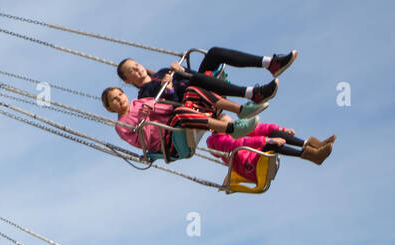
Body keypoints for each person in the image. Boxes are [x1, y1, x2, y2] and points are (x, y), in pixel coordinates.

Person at [118, 48, 297, 114]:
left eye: (136, 64)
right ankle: (251, 93)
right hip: (189, 100)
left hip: (198, 82)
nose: (137, 68)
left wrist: (181, 70)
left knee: (214, 53)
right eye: (131, 70)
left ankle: (270, 63)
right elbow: (169, 108)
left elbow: (191, 74)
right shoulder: (145, 95)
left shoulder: (163, 71)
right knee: (196, 80)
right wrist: (169, 87)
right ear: (128, 80)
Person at [102, 85, 258, 162]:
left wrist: (156, 106)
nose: (120, 98)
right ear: (110, 108)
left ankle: (240, 109)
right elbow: (144, 142)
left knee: (191, 92)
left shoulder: (140, 102)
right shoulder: (122, 125)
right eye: (114, 99)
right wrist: (146, 119)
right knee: (179, 115)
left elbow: (168, 108)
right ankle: (231, 129)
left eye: (120, 94)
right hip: (167, 143)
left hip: (173, 121)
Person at [206, 123, 336, 176]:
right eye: (229, 125)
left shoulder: (232, 131)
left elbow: (255, 129)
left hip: (255, 157)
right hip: (250, 166)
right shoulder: (217, 141)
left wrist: (281, 130)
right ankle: (312, 155)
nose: (233, 126)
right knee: (271, 142)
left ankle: (314, 146)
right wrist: (269, 140)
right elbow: (239, 144)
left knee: (274, 133)